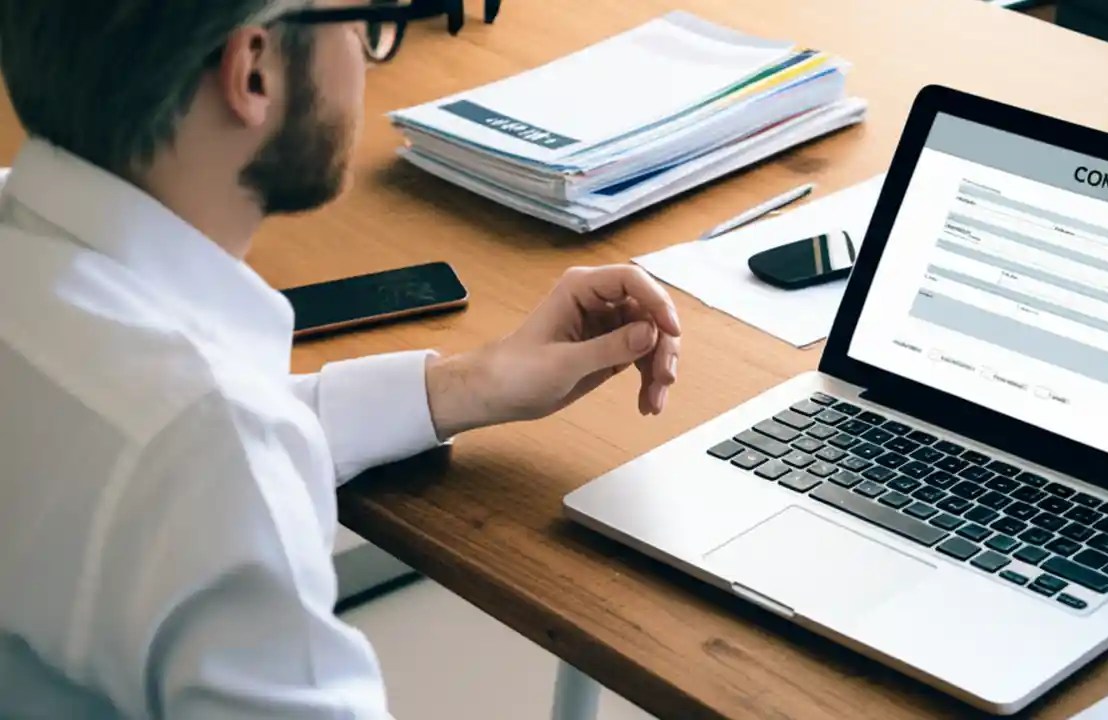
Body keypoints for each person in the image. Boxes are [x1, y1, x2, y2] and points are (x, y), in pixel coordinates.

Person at [0, 1, 681, 717]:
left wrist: (466, 385)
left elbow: (131, 434)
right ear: (253, 71)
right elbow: (197, 455)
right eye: (368, 26)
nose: (366, 56)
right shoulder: (208, 453)